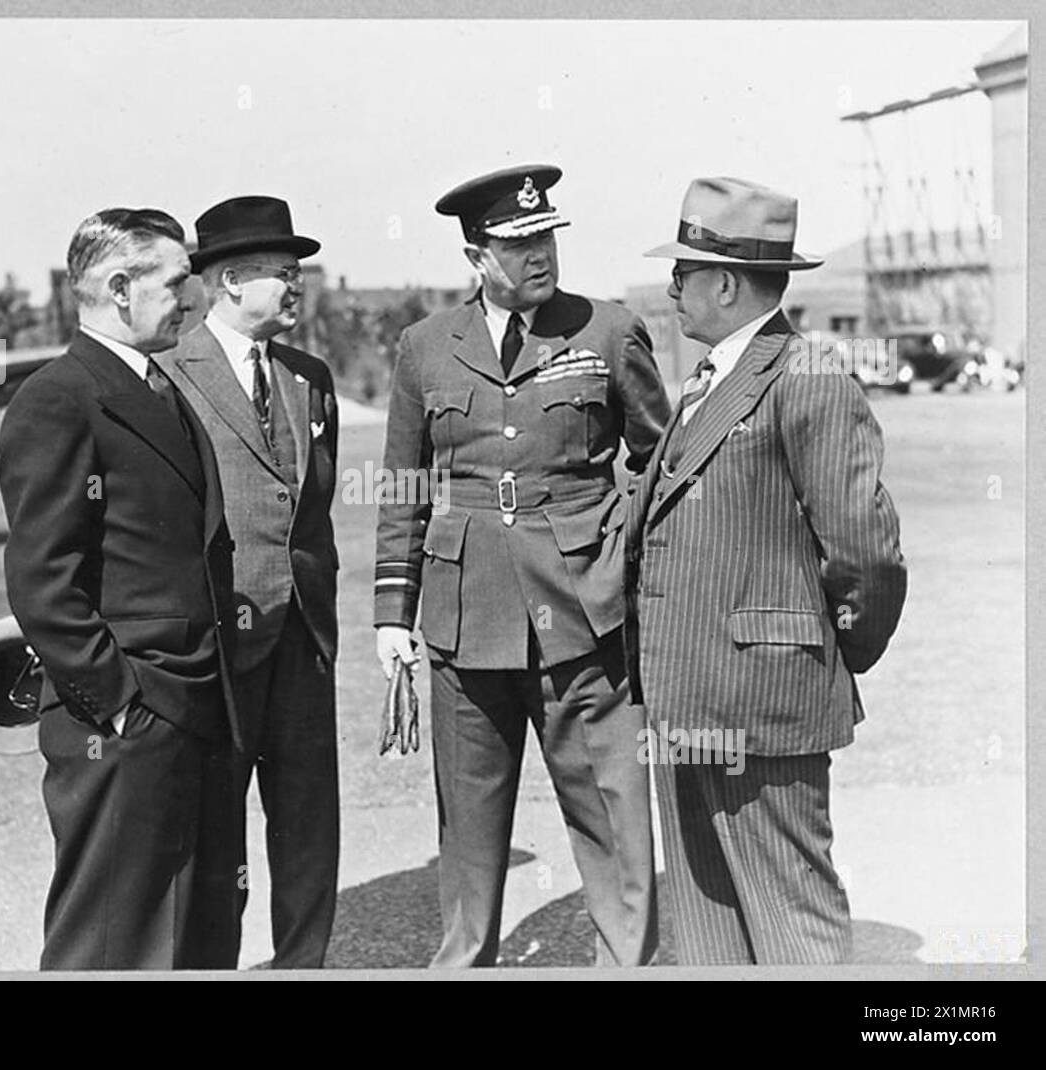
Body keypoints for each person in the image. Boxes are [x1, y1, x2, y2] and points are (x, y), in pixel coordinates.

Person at [373, 164, 670, 967]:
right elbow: (405, 481)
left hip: (586, 614)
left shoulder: (607, 330)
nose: (540, 253)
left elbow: (662, 461)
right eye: (518, 242)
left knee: (614, 820)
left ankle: (625, 967)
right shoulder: (426, 347)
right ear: (477, 256)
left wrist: (623, 557)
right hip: (464, 618)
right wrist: (391, 617)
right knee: (468, 831)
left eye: (547, 236)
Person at [625, 176, 908, 964]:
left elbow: (867, 555)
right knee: (709, 930)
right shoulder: (709, 379)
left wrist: (814, 653)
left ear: (722, 283)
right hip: (690, 696)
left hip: (766, 709)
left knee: (793, 929)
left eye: (682, 274)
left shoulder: (806, 376)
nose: (672, 289)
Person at [0, 208, 244, 970]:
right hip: (127, 725)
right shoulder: (59, 398)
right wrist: (125, 705)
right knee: (110, 940)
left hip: (196, 710)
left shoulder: (155, 385)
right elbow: (43, 583)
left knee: (199, 933)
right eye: (175, 283)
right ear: (118, 287)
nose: (192, 299)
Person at [161, 196, 340, 968]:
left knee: (308, 830)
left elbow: (312, 511)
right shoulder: (170, 375)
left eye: (298, 272)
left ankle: (305, 965)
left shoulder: (310, 378)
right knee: (214, 835)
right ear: (230, 280)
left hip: (302, 639)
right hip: (220, 649)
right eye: (281, 273)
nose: (297, 286)